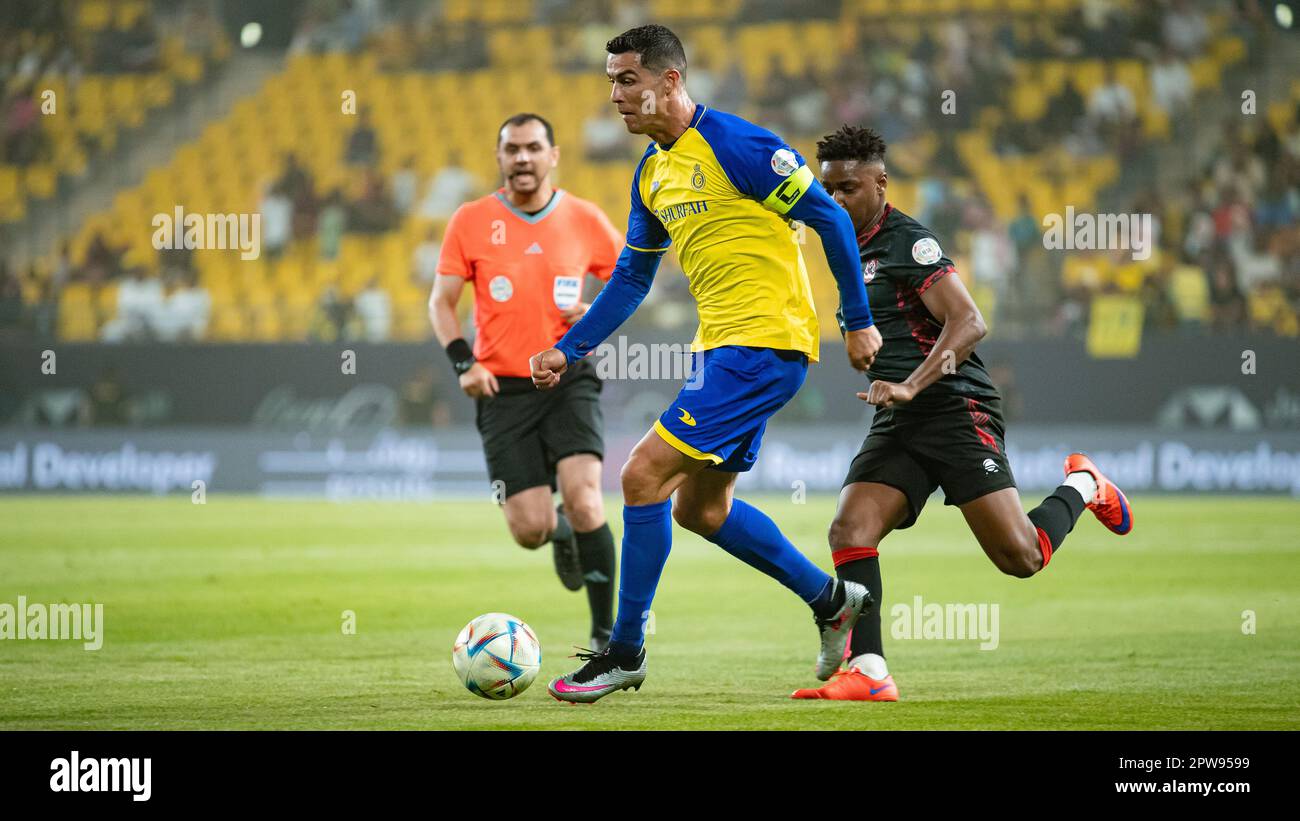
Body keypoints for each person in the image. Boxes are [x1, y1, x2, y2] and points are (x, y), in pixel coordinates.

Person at [530, 25, 884, 703]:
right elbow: (631, 279)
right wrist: (568, 348)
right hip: (720, 347)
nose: (615, 95)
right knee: (702, 508)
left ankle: (625, 651)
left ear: (670, 80)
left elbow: (832, 220)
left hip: (764, 343)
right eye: (610, 82)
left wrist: (858, 319)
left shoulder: (740, 146)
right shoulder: (651, 174)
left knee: (640, 476)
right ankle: (832, 600)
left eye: (627, 80)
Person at [790, 125, 1134, 702]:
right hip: (900, 415)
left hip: (954, 406)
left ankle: (1084, 484)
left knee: (1021, 557)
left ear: (880, 183)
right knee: (850, 529)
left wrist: (910, 384)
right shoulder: (842, 243)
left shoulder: (909, 243)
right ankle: (869, 670)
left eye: (849, 188)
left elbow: (970, 322)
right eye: (829, 190)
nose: (837, 200)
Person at [430, 113, 624, 651]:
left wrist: (595, 311)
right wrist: (464, 363)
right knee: (529, 531)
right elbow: (441, 302)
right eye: (512, 148)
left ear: (553, 156)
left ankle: (606, 638)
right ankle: (559, 532)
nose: (522, 157)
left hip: (568, 377)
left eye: (533, 147)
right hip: (502, 390)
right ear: (499, 157)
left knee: (586, 500)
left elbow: (630, 277)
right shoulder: (470, 220)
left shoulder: (584, 218)